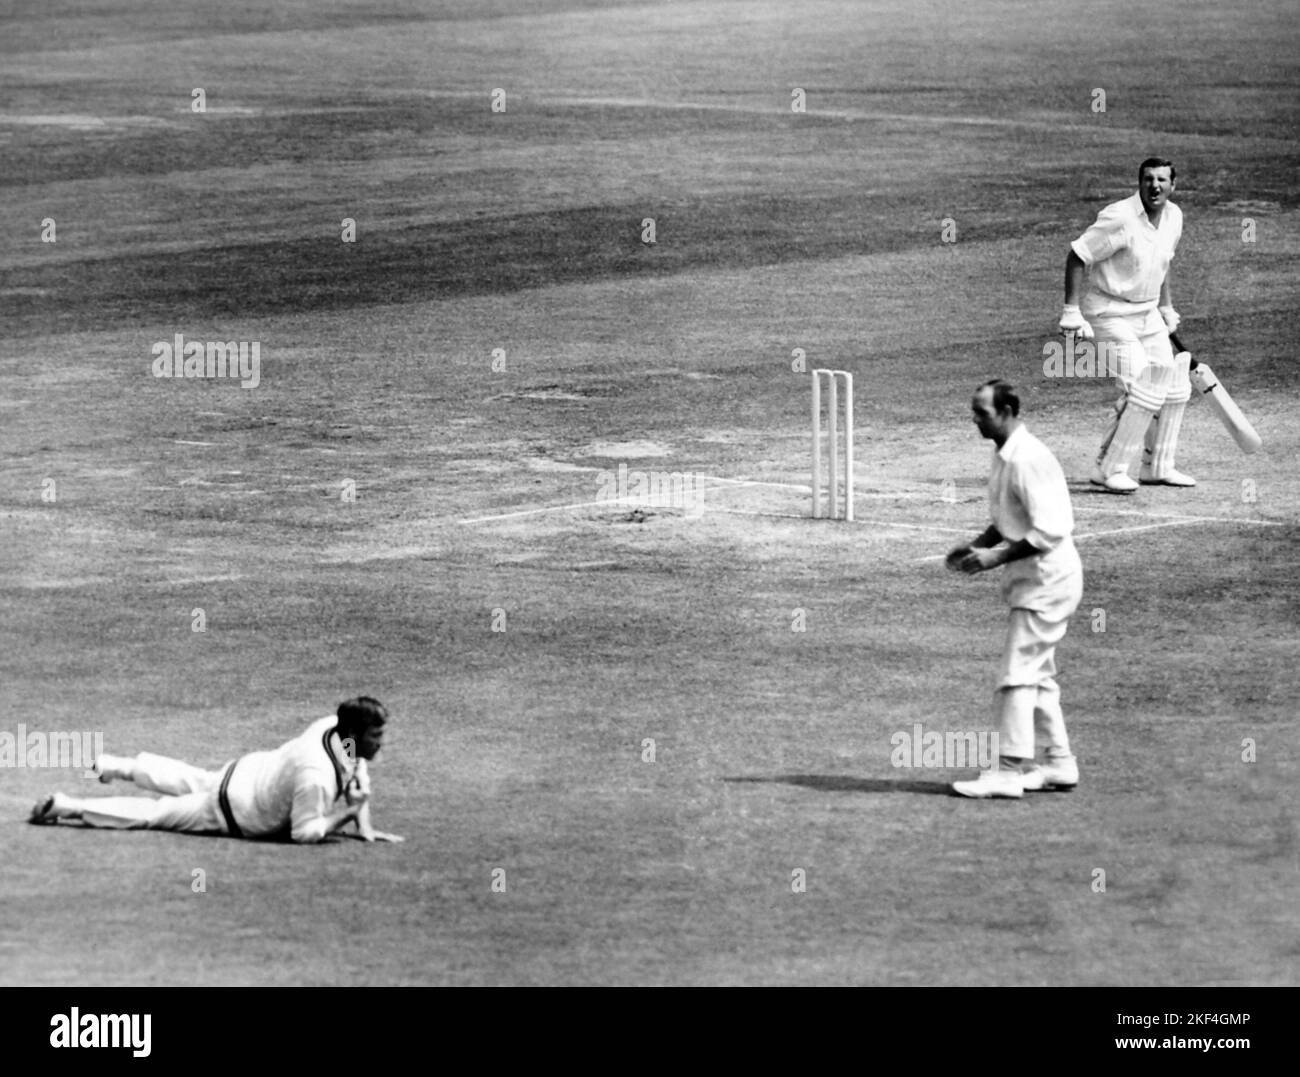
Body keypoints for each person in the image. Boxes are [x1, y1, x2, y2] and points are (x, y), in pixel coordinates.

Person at [946, 381, 1084, 798]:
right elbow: (1010, 517)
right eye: (973, 411)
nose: (975, 419)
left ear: (1007, 411)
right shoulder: (1006, 454)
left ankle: (1007, 771)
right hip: (1035, 581)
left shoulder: (1029, 459)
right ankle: (1059, 764)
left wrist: (995, 558)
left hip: (1048, 582)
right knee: (1038, 675)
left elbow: (1051, 530)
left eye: (982, 412)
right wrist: (978, 546)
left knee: (1016, 675)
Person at [29, 696, 403, 843]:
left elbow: (357, 774)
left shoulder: (332, 728)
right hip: (235, 811)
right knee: (155, 814)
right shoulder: (317, 778)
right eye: (376, 735)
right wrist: (347, 814)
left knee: (187, 777)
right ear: (354, 733)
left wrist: (364, 825)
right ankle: (67, 806)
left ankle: (112, 765)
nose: (381, 742)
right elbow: (305, 832)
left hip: (241, 774)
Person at [1061, 157, 1194, 492]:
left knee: (1173, 387)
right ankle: (1108, 468)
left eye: (1162, 180)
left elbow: (1163, 263)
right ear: (1139, 182)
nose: (1155, 186)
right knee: (1141, 389)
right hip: (1109, 313)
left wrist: (1166, 306)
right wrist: (1071, 311)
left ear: (1173, 185)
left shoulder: (1174, 217)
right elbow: (1078, 254)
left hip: (1148, 314)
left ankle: (1157, 466)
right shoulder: (1119, 217)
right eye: (1148, 179)